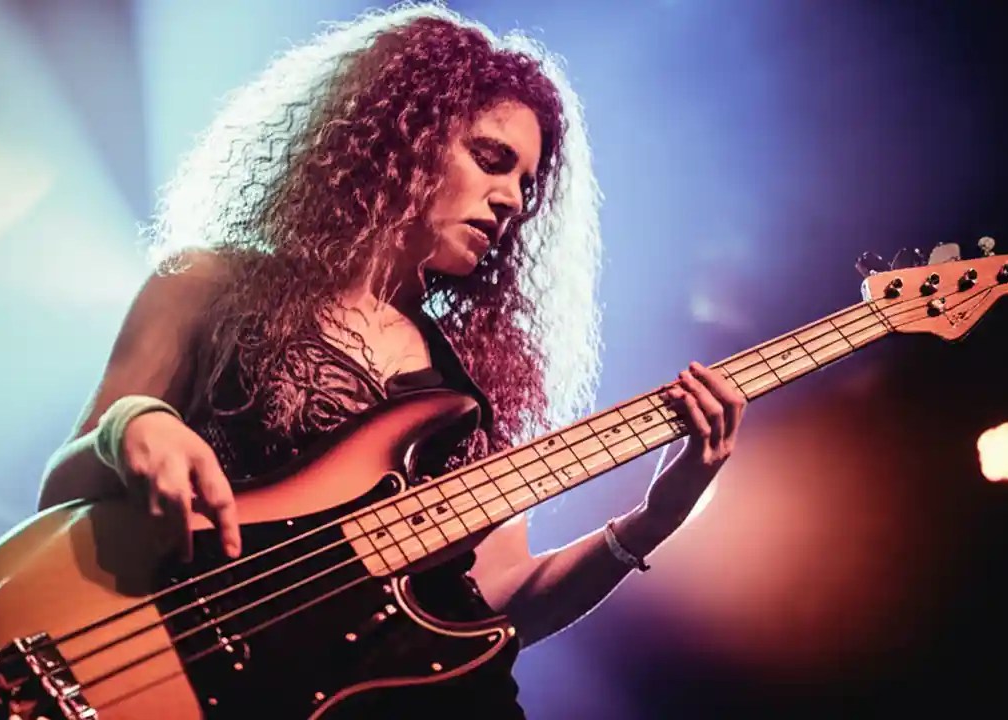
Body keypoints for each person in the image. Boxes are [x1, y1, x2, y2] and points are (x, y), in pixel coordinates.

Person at [36, 3, 746, 716]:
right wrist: (130, 426)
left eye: (527, 185)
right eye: (492, 159)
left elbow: (501, 602)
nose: (511, 201)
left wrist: (654, 518)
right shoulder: (206, 284)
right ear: (398, 138)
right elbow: (61, 499)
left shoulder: (473, 391)